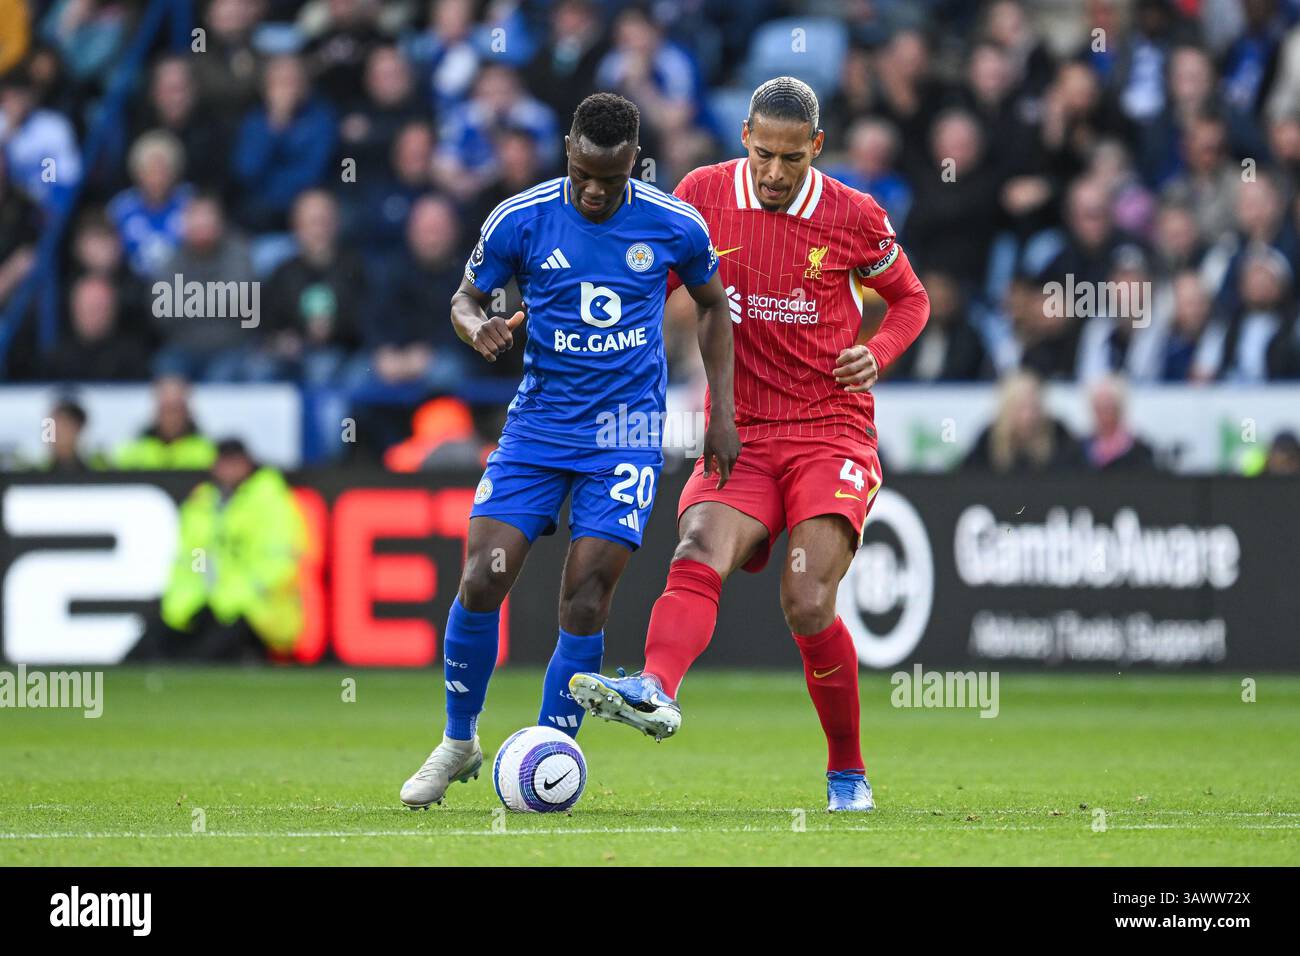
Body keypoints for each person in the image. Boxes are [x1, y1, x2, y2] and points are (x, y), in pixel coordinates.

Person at [570, 77, 930, 813]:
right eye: (763, 153)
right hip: (742, 429)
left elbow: (911, 299)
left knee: (804, 599)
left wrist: (880, 350)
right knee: (697, 547)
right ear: (745, 137)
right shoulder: (703, 194)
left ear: (816, 149)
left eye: (791, 159)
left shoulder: (853, 215)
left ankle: (847, 774)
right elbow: (653, 278)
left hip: (831, 431)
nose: (773, 172)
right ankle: (655, 687)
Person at [398, 92, 738, 809]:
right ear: (568, 151)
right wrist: (477, 328)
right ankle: (459, 740)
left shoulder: (674, 225)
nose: (592, 188)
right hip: (538, 426)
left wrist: (721, 410)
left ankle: (554, 752)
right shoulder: (520, 218)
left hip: (625, 434)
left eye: (609, 179)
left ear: (633, 165)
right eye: (582, 171)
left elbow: (713, 305)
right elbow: (464, 297)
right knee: (483, 579)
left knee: (584, 597)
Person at [157, 439, 306, 660]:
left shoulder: (269, 501)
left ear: (248, 464)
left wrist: (234, 595)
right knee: (154, 646)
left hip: (256, 612)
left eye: (234, 463)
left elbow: (279, 565)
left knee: (201, 657)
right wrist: (189, 601)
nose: (229, 470)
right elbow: (189, 558)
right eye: (224, 463)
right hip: (205, 605)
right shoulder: (202, 502)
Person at [112, 376, 217, 470]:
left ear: (188, 411)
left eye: (176, 409)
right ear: (156, 410)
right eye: (166, 410)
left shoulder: (209, 452)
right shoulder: (134, 450)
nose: (172, 418)